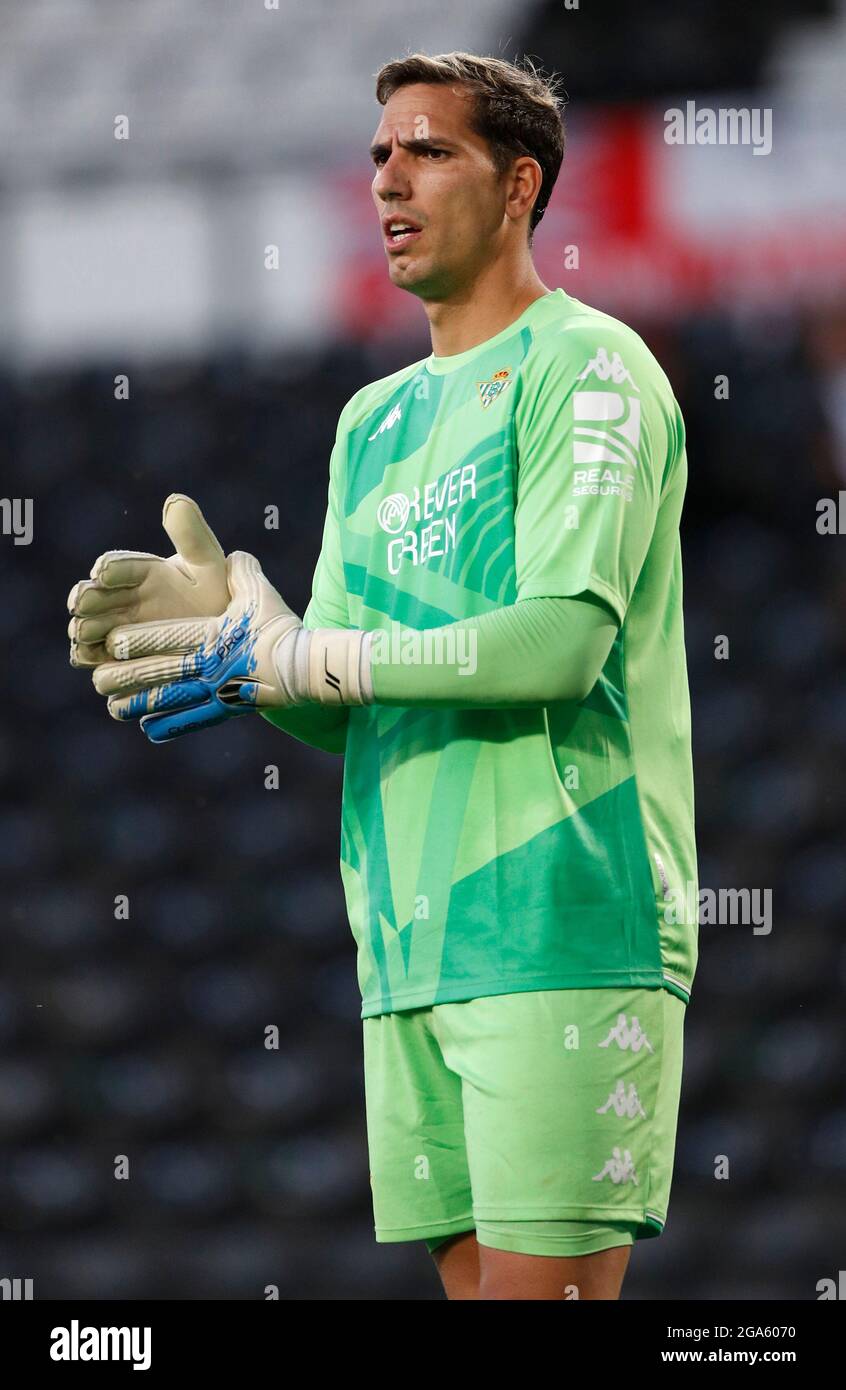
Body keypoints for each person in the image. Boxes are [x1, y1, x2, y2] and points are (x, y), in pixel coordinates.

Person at [67, 51, 697, 1300]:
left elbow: (563, 643)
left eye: (429, 151)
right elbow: (343, 702)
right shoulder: (374, 422)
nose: (388, 181)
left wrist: (320, 652)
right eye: (376, 157)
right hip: (408, 941)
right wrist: (249, 656)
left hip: (561, 920)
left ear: (521, 186)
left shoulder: (592, 365)